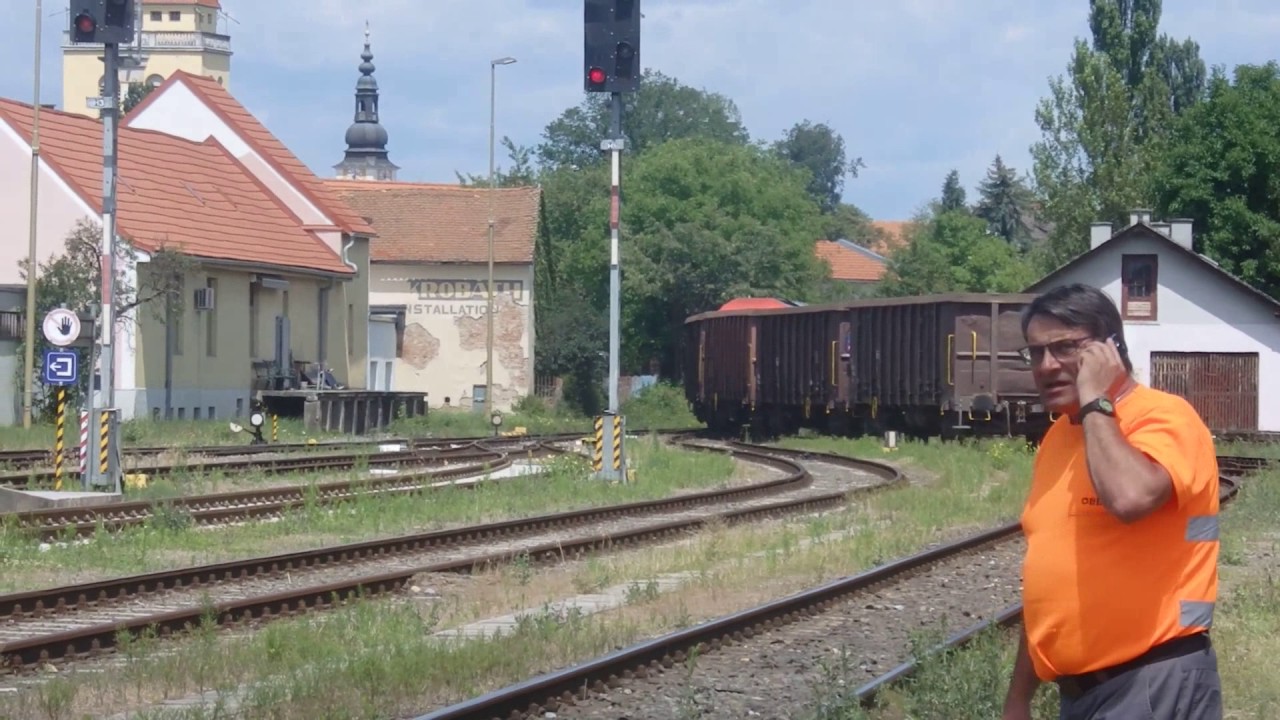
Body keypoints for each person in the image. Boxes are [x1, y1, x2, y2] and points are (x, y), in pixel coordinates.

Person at [1002, 283, 1223, 720]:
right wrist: (1018, 698)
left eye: (1065, 348)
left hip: (1153, 680)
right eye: (1035, 353)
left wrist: (1095, 403)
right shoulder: (1058, 438)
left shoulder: (1164, 416)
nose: (1047, 366)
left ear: (1111, 348)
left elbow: (1130, 497)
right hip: (1083, 694)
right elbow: (1052, 582)